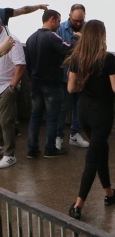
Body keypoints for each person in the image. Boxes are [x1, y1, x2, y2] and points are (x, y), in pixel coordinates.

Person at [67, 20, 115, 220]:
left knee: (101, 149)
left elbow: (71, 89)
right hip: (102, 113)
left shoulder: (77, 58)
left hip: (84, 110)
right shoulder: (108, 59)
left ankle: (109, 193)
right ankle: (78, 204)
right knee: (93, 156)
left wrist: (84, 82)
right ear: (101, 36)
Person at [25, 9, 77, 159]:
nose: (59, 25)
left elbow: (28, 64)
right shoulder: (51, 36)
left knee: (35, 116)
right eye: (59, 21)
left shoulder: (31, 38)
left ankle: (32, 149)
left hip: (35, 83)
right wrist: (75, 38)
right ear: (52, 19)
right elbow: (68, 48)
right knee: (52, 116)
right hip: (51, 84)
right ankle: (50, 149)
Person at [56, 4, 89, 150]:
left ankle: (75, 134)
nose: (78, 23)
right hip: (64, 76)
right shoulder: (59, 29)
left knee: (79, 107)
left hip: (82, 76)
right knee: (62, 108)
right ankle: (58, 136)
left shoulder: (88, 29)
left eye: (80, 21)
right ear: (69, 16)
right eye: (75, 20)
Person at [0, 16, 26, 168]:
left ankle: (10, 155)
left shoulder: (11, 41)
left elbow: (20, 65)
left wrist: (12, 87)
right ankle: (2, 145)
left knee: (5, 120)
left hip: (6, 86)